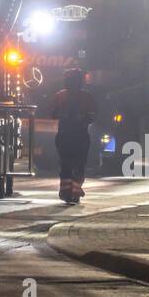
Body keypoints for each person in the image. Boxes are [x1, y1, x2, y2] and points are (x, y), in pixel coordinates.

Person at [45, 68, 97, 204]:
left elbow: (51, 113)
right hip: (77, 136)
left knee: (67, 165)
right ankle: (73, 192)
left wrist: (67, 116)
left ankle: (69, 192)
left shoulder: (61, 96)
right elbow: (93, 116)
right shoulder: (86, 97)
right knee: (76, 164)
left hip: (68, 135)